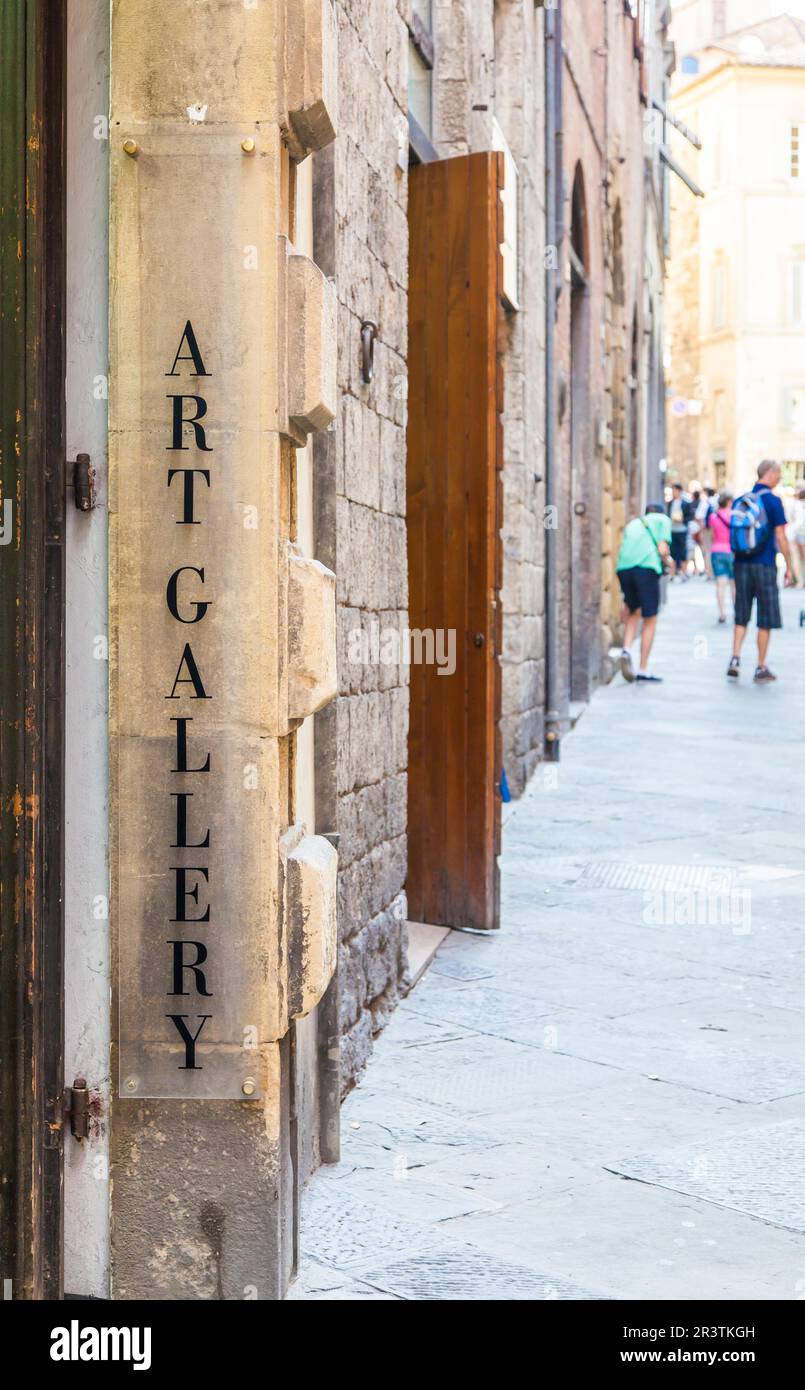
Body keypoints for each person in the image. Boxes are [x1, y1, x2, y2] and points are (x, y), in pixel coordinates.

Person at [728, 460, 793, 683]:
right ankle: (760, 666)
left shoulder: (741, 499)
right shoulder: (773, 501)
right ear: (770, 473)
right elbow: (781, 536)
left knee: (741, 612)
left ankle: (735, 658)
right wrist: (790, 565)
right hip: (764, 564)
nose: (780, 478)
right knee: (765, 616)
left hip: (741, 563)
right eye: (779, 474)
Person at [616, 503, 672, 684]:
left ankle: (626, 649)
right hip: (645, 569)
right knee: (650, 619)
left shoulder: (633, 524)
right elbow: (663, 549)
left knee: (634, 611)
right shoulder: (663, 520)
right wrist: (669, 562)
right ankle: (643, 669)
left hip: (624, 569)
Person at [707, 491, 734, 623]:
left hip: (717, 551)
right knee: (734, 584)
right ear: (729, 502)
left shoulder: (713, 517)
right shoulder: (734, 516)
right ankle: (736, 611)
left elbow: (713, 535)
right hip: (732, 551)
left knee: (720, 584)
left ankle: (722, 613)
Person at [667, 482, 692, 578]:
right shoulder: (670, 503)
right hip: (673, 529)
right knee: (673, 551)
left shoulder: (685, 503)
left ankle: (683, 572)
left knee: (682, 551)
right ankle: (672, 572)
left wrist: (683, 520)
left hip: (682, 529)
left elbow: (689, 516)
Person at [787, 486, 805, 588]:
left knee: (795, 557)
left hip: (794, 532)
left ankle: (799, 581)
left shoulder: (795, 504)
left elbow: (790, 518)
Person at [697, 487, 717, 578]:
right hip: (720, 529)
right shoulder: (718, 501)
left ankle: (709, 573)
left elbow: (699, 517)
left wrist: (701, 531)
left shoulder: (705, 503)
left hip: (708, 529)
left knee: (708, 551)